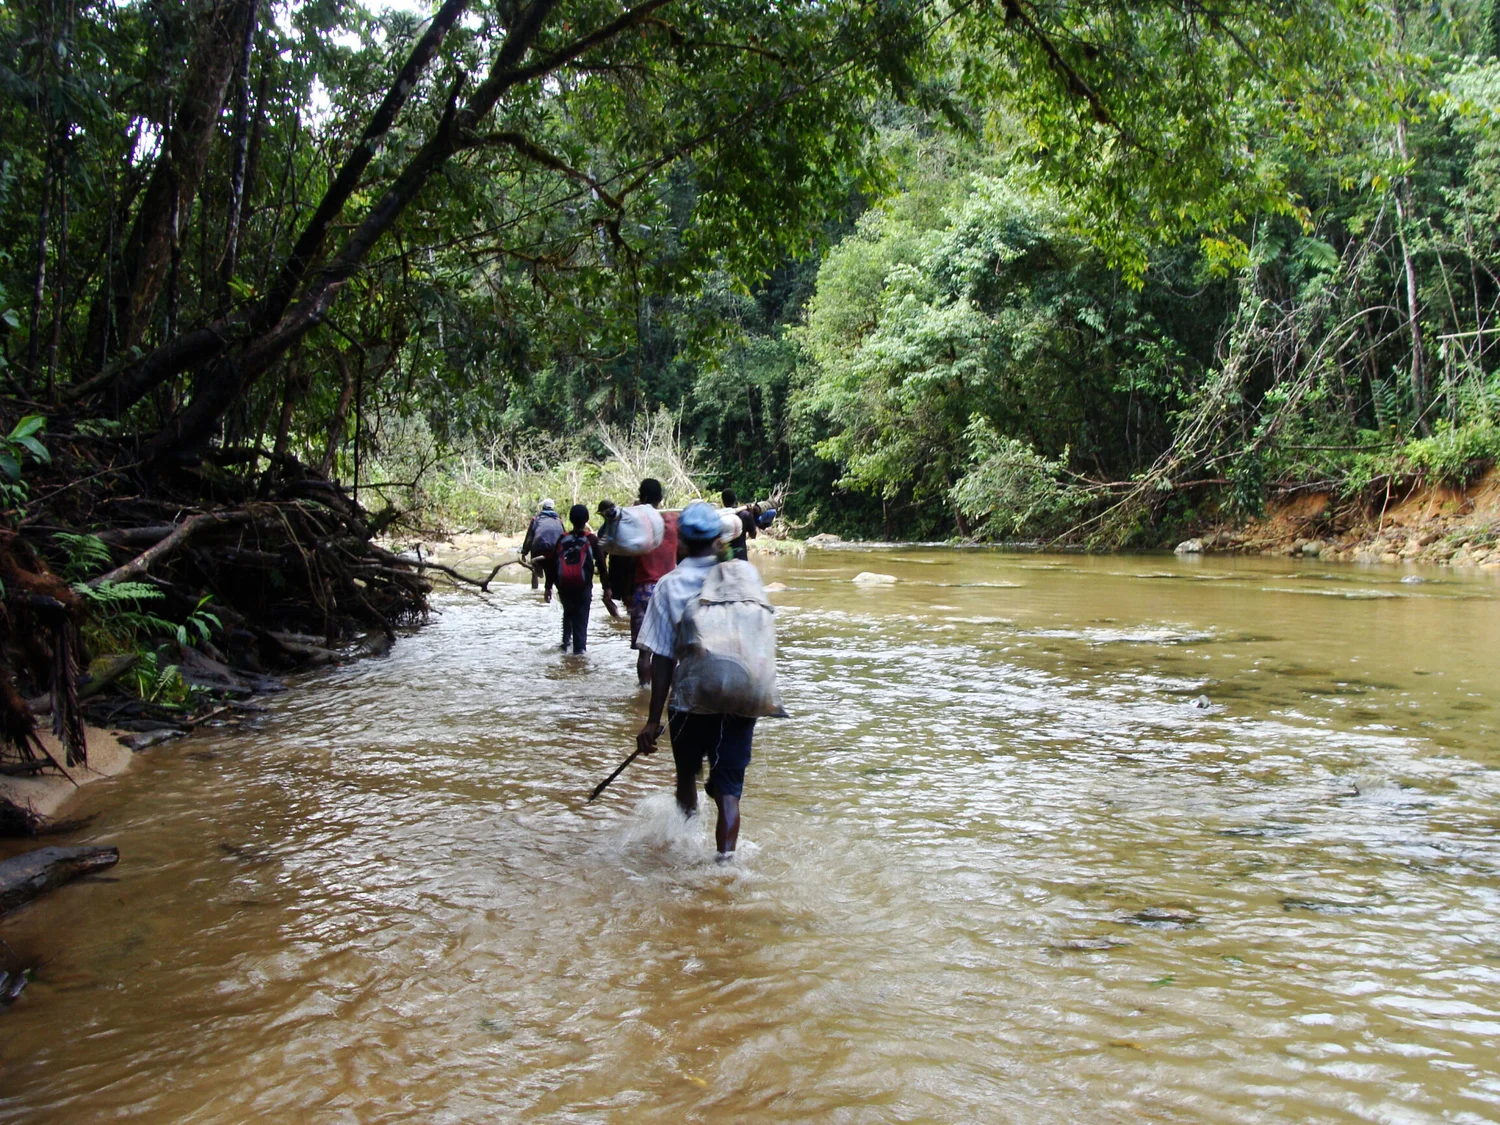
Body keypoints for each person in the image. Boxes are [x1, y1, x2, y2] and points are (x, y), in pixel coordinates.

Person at [635, 501, 766, 861]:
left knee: (686, 779)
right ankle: (725, 865)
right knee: (728, 792)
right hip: (743, 696)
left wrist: (652, 720)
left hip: (691, 701)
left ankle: (685, 847)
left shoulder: (670, 585)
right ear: (718, 538)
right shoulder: (745, 575)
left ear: (683, 541)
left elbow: (662, 658)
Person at [629, 478, 679, 687]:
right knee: (670, 649)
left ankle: (643, 692)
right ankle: (667, 691)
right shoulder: (673, 521)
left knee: (644, 652)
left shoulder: (636, 523)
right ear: (661, 499)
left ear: (642, 497)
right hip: (671, 589)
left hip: (644, 589)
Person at [553, 504, 613, 653]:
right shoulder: (591, 539)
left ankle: (565, 646)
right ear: (586, 520)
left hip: (564, 587)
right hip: (583, 587)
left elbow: (553, 564)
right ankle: (579, 656)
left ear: (570, 519)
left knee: (568, 614)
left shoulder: (562, 538)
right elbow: (601, 564)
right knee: (581, 622)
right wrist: (607, 588)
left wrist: (549, 587)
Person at [521, 499, 565, 601]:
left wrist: (524, 552)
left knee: (534, 568)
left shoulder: (536, 519)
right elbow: (564, 536)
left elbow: (529, 538)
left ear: (543, 508)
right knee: (553, 571)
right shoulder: (559, 521)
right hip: (555, 551)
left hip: (538, 550)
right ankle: (559, 595)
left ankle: (535, 589)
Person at [721, 488, 759, 562]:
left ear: (723, 502)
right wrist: (751, 515)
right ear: (736, 500)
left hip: (725, 558)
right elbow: (753, 535)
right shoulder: (745, 515)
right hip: (740, 557)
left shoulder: (720, 517)